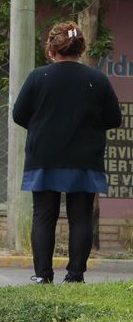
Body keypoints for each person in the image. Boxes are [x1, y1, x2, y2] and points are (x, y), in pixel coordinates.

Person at [13, 21, 121, 284]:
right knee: (80, 215)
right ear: (81, 48)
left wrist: (43, 128)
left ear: (52, 49)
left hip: (44, 157)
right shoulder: (97, 79)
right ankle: (75, 276)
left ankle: (42, 276)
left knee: (44, 214)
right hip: (85, 158)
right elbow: (114, 118)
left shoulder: (38, 77)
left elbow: (19, 114)